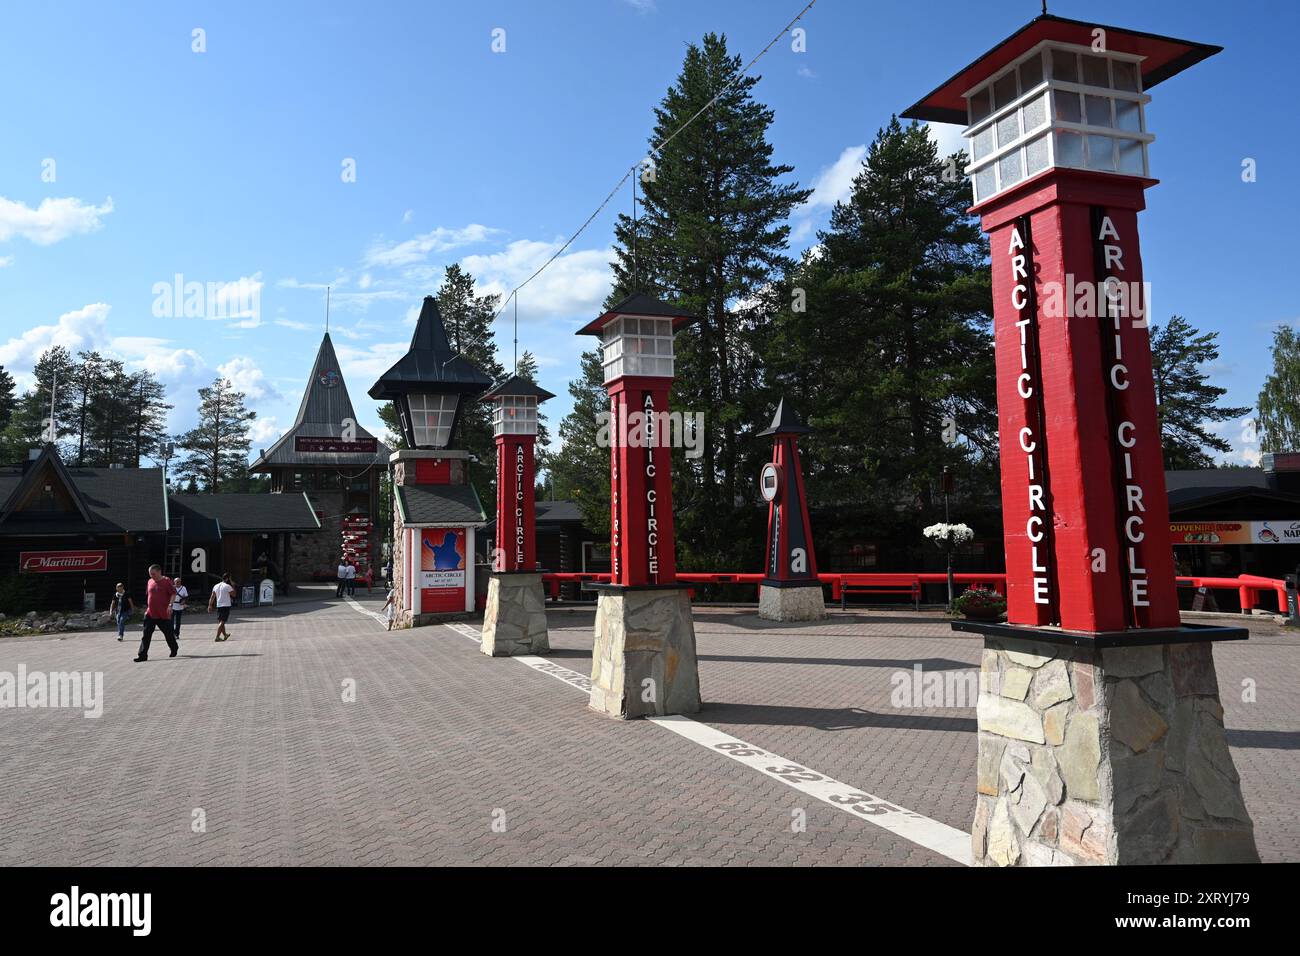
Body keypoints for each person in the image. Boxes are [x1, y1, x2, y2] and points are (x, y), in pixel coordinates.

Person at [135, 565, 178, 662]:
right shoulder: (150, 581)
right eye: (150, 574)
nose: (151, 576)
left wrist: (170, 605)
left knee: (168, 634)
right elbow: (150, 596)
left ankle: (174, 648)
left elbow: (173, 593)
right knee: (146, 635)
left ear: (159, 572)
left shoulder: (166, 581)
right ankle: (142, 655)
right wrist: (147, 610)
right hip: (150, 614)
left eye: (153, 574)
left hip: (163, 614)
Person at [209, 572, 236, 642]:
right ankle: (217, 637)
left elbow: (212, 596)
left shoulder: (216, 586)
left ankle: (225, 635)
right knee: (222, 622)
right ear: (227, 578)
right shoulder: (227, 586)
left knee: (221, 621)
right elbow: (234, 595)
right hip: (226, 606)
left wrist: (210, 605)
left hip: (219, 605)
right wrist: (233, 586)